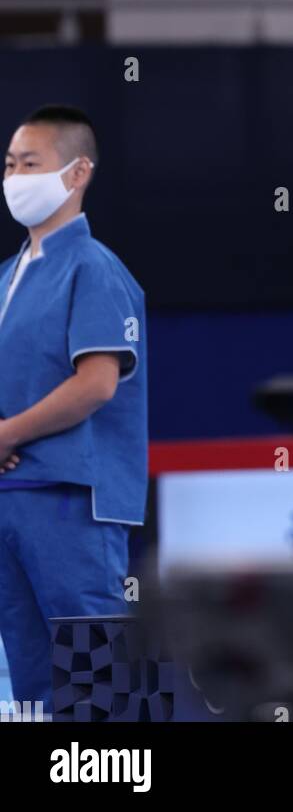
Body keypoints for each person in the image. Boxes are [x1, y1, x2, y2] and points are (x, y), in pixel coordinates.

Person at [0, 105, 147, 711]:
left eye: (29, 163)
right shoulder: (9, 276)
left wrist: (6, 433)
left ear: (77, 172)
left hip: (72, 498)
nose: (14, 176)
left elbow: (97, 385)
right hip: (13, 494)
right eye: (8, 164)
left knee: (93, 675)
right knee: (33, 679)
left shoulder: (95, 268)